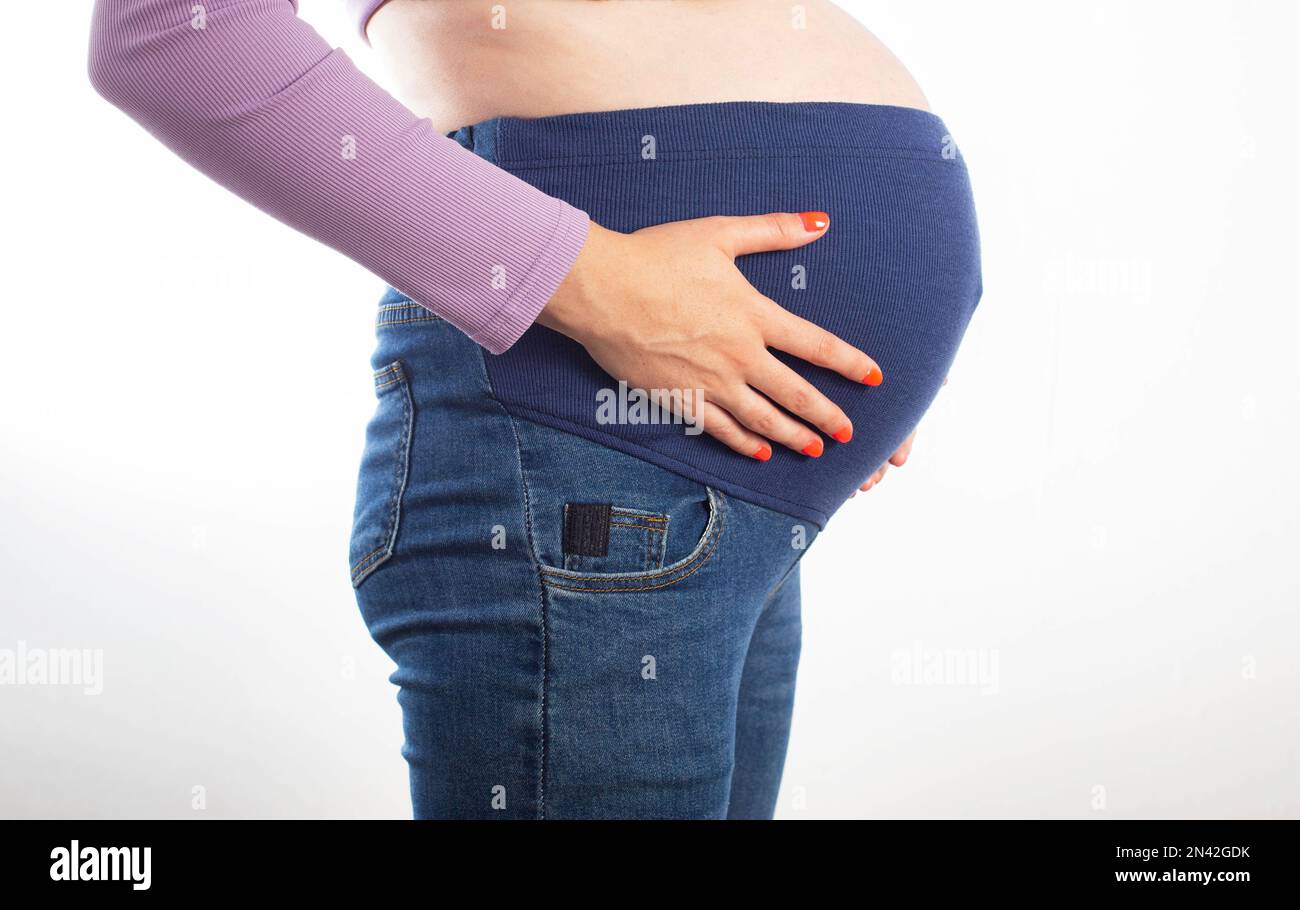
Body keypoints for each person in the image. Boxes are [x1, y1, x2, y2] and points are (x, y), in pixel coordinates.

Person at [88, 0, 982, 819]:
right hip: (576, 427)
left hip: (727, 465)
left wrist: (868, 333)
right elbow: (170, 32)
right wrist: (592, 281)